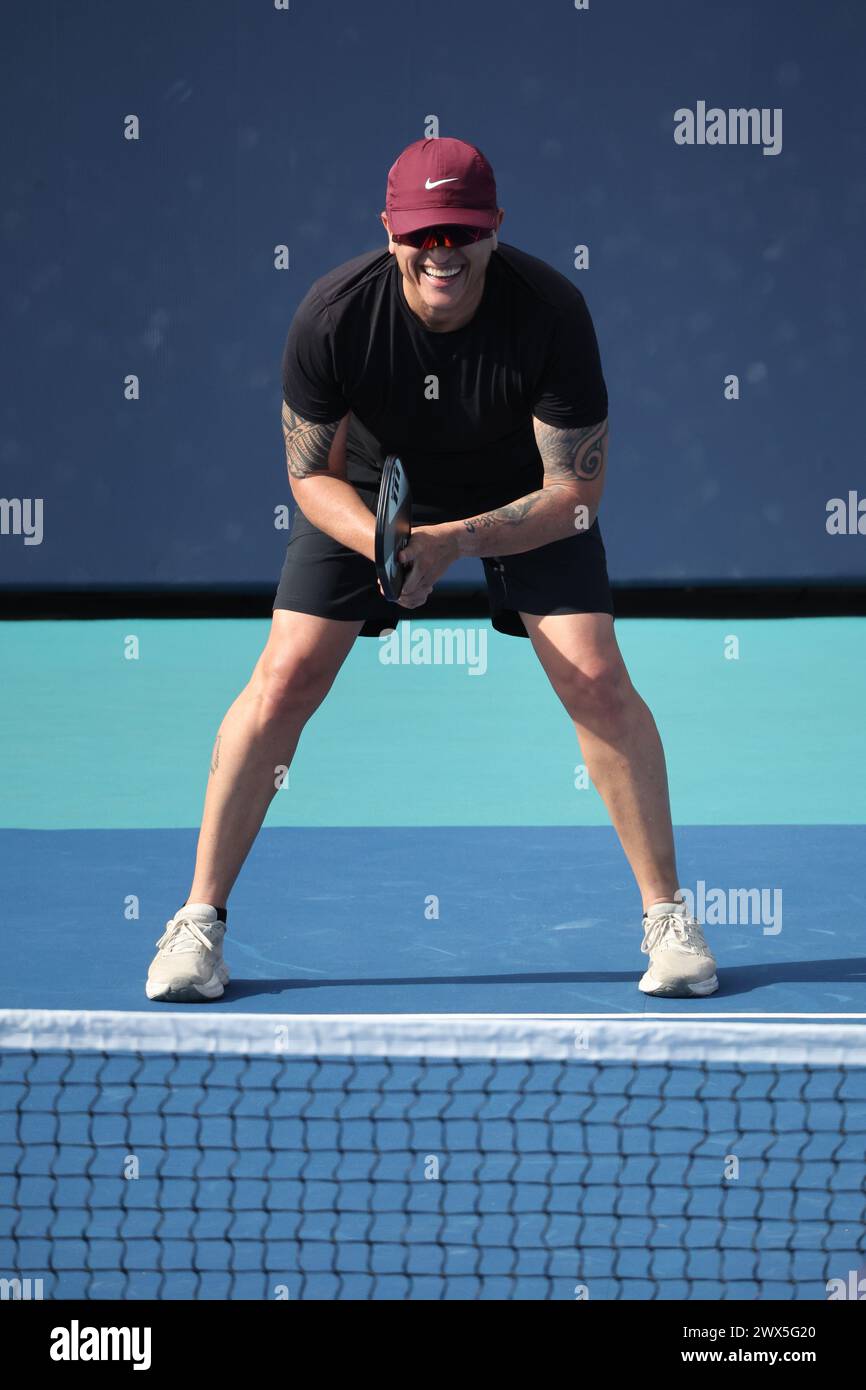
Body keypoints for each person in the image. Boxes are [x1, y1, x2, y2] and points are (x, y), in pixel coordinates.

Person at [146, 137, 718, 1003]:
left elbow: (577, 494)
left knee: (597, 678)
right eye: (423, 233)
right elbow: (310, 477)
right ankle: (197, 924)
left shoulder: (551, 311)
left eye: (460, 231)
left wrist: (450, 541)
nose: (441, 252)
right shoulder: (333, 314)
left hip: (523, 491)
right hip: (374, 490)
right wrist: (393, 538)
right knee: (283, 678)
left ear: (493, 230)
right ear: (389, 231)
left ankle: (668, 918)